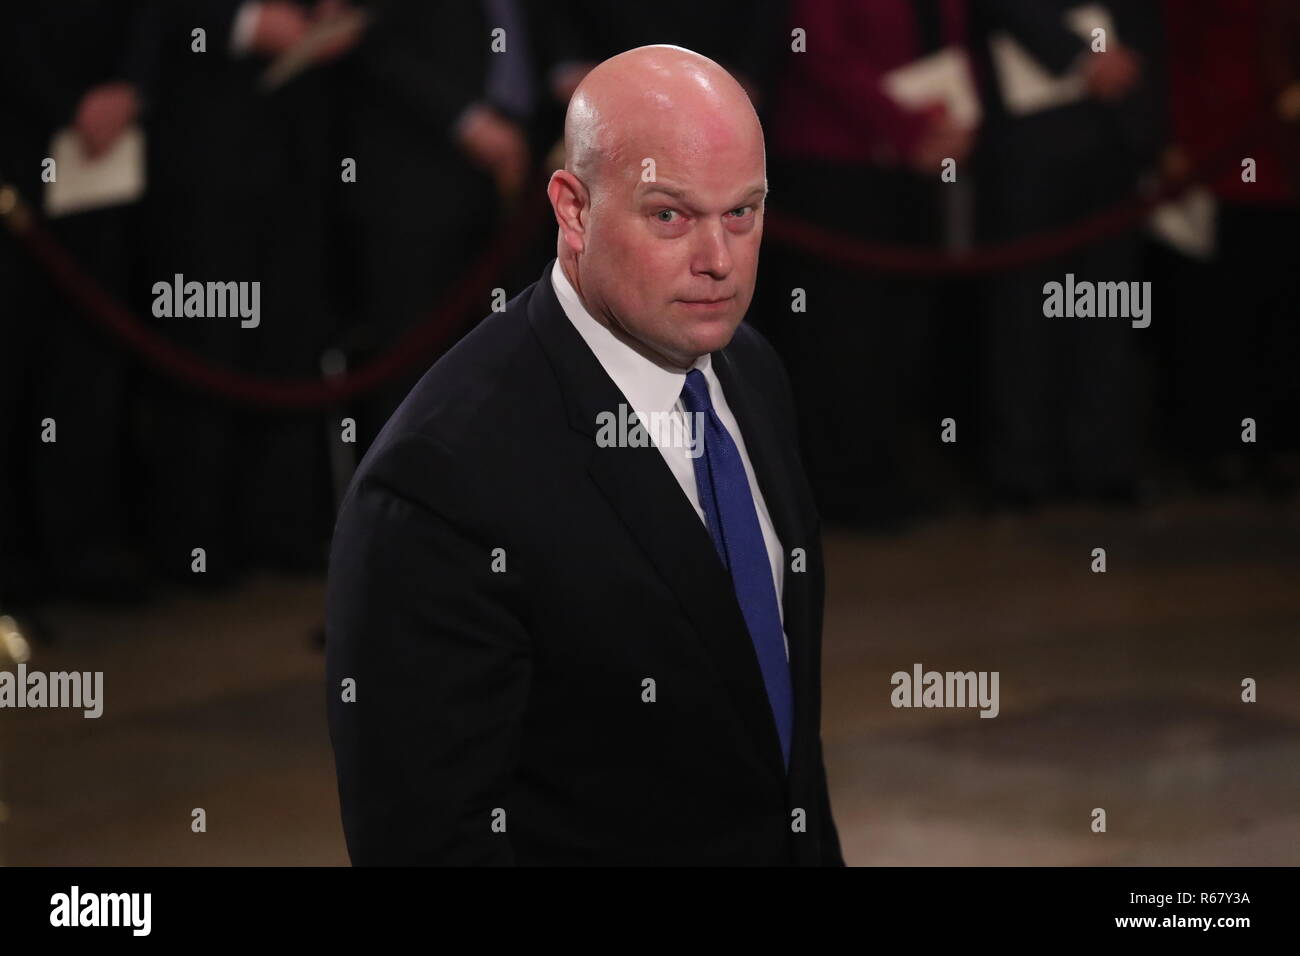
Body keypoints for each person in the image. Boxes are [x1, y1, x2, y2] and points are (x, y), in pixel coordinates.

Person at [325, 44, 844, 865]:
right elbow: (427, 842)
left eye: (742, 213)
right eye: (670, 215)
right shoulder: (441, 481)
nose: (718, 260)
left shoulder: (750, 369)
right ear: (572, 208)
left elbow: (779, 761)